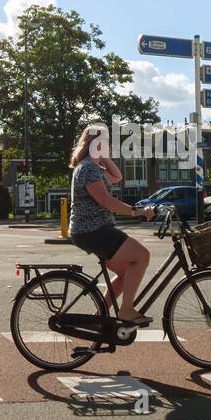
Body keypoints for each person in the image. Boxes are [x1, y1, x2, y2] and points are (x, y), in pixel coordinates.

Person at [68, 124, 155, 325]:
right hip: (92, 230)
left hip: (94, 229)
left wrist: (104, 157)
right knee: (142, 256)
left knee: (126, 274)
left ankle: (100, 315)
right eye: (106, 141)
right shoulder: (88, 168)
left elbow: (117, 177)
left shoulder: (94, 167)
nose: (110, 144)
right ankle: (126, 311)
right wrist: (136, 211)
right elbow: (106, 201)